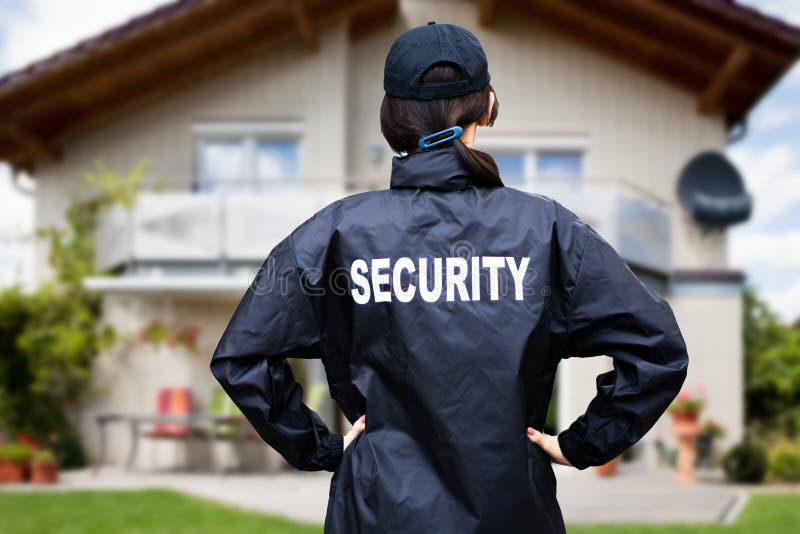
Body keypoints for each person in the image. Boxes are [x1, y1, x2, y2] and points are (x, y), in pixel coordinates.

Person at [210, 21, 689, 534]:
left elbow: (244, 355)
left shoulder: (338, 233)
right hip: (512, 512)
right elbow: (656, 347)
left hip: (377, 513)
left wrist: (318, 445)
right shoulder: (548, 231)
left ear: (391, 119)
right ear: (485, 107)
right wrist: (581, 444)